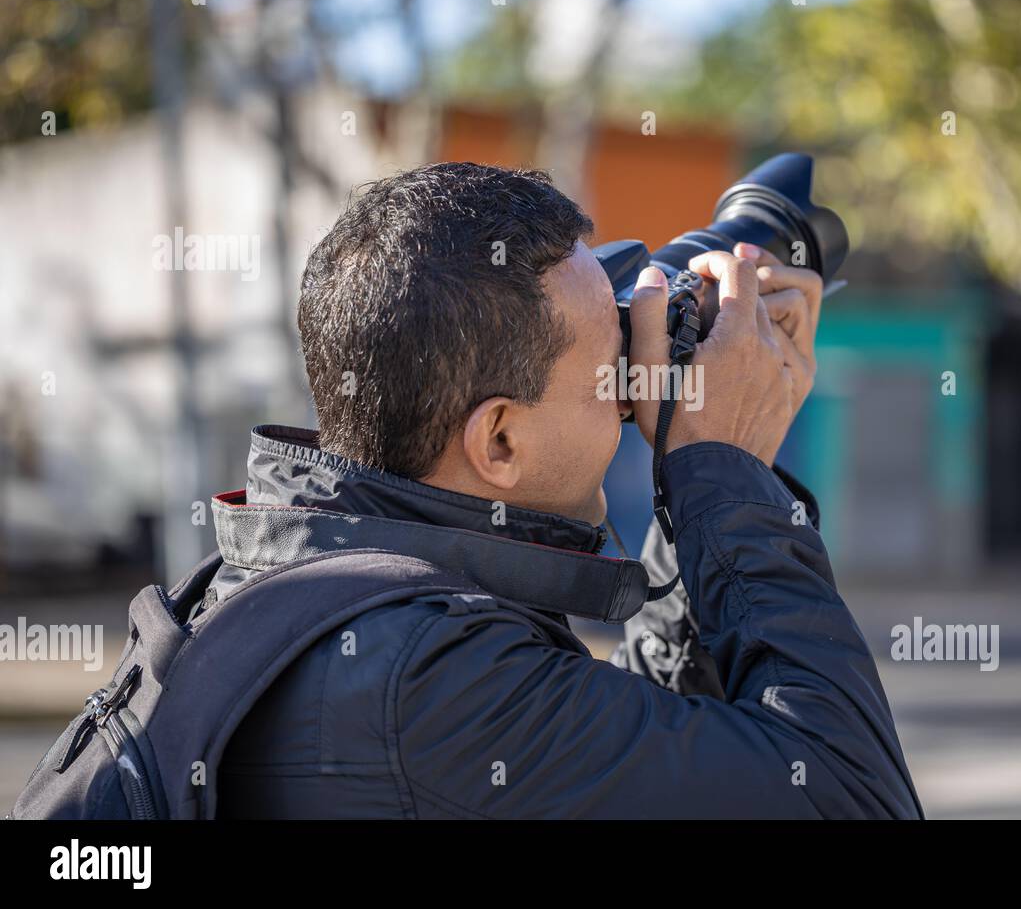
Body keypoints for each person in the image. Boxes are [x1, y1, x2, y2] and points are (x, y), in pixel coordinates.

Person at [205, 161, 922, 818]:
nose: (629, 394)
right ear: (500, 442)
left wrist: (735, 466)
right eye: (614, 365)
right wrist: (721, 467)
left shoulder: (324, 595)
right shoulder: (425, 680)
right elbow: (850, 797)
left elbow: (639, 750)